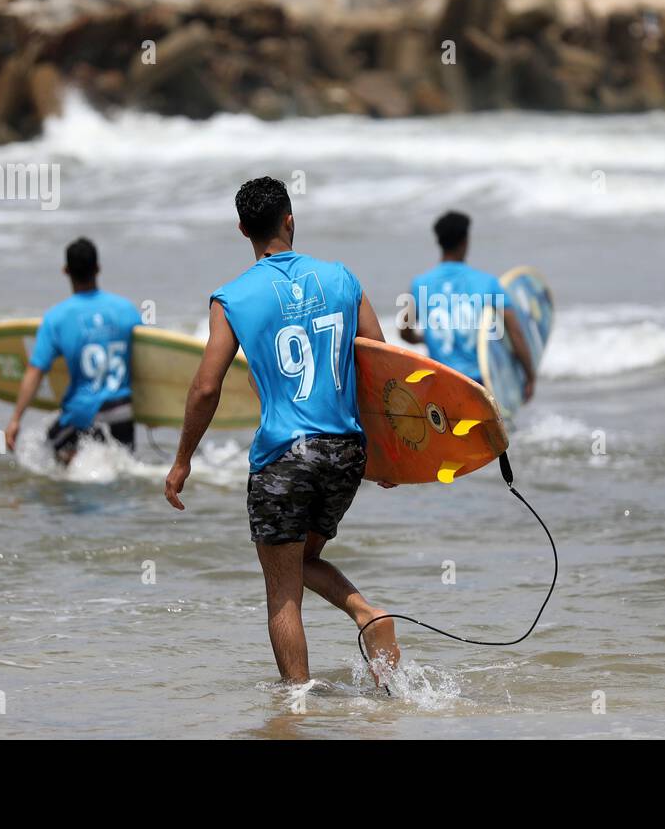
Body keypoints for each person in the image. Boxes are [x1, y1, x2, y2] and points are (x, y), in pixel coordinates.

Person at [162, 176, 400, 687]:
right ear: (290, 220)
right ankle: (367, 613)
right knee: (305, 558)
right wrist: (387, 454)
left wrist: (182, 459)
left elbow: (206, 387)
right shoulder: (341, 278)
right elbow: (382, 366)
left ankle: (296, 709)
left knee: (282, 590)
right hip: (344, 453)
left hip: (284, 458)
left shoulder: (232, 298)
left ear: (242, 229)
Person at [5, 238, 142, 462]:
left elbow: (36, 371)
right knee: (120, 468)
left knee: (49, 453)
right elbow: (146, 362)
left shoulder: (57, 318)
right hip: (122, 414)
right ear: (98, 268)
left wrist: (15, 419)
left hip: (84, 414)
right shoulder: (126, 310)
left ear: (65, 271)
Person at [399, 210, 536, 401]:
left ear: (439, 242)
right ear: (465, 241)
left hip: (441, 383)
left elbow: (404, 333)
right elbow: (516, 334)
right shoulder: (488, 283)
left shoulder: (419, 284)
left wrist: (425, 338)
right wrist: (529, 375)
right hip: (479, 386)